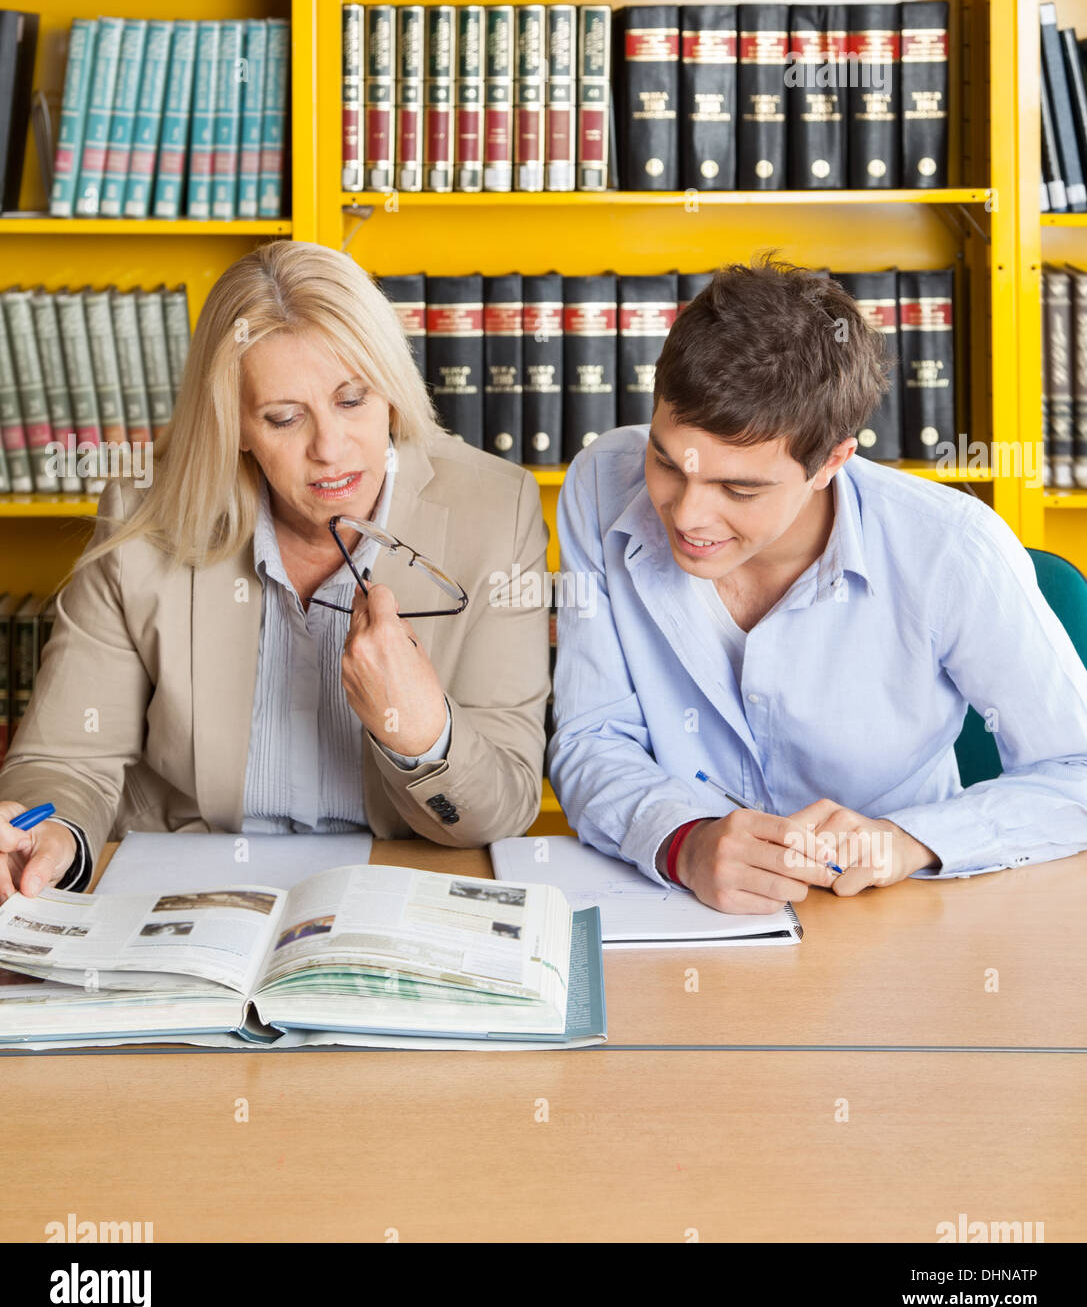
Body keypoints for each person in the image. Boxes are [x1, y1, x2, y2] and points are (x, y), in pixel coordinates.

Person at [0, 241, 549, 900]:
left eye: (353, 401)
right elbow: (65, 762)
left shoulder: (494, 509)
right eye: (284, 418)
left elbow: (503, 808)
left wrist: (421, 731)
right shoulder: (143, 514)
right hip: (191, 895)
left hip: (392, 893)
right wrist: (52, 833)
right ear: (234, 425)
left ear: (393, 393)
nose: (330, 448)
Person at [549, 253, 1087, 914]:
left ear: (830, 461)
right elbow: (591, 736)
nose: (686, 516)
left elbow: (1076, 771)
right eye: (667, 463)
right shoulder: (600, 484)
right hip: (681, 916)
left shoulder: (951, 548)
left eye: (738, 488)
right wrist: (683, 839)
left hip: (901, 920)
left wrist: (905, 840)